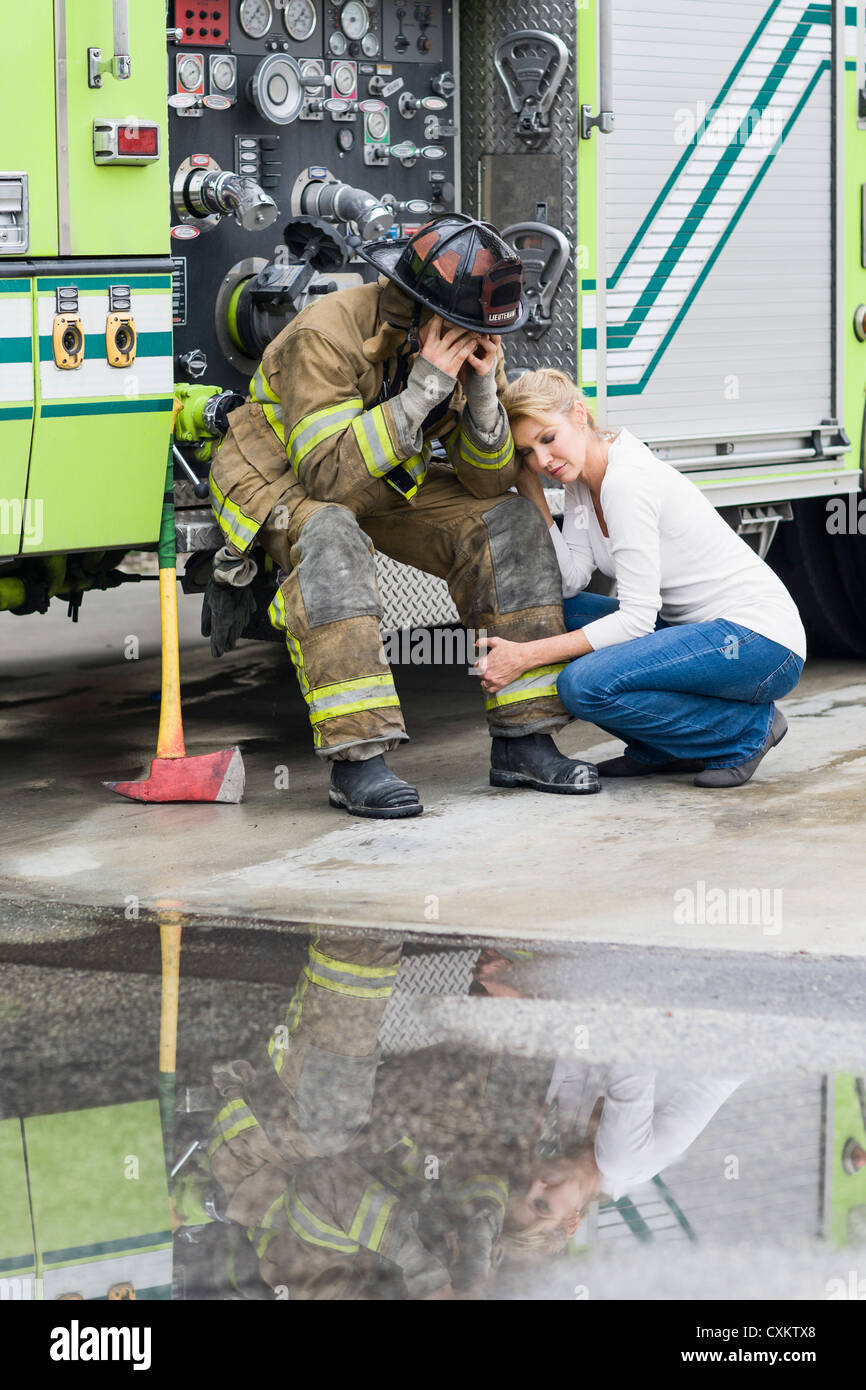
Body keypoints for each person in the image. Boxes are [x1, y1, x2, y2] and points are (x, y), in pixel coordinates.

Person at [206, 218, 599, 817]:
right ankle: (358, 761)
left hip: (386, 471)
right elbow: (329, 480)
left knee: (512, 523)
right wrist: (424, 390)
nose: (475, 342)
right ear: (420, 309)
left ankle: (526, 742)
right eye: (464, 331)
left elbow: (487, 482)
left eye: (483, 335)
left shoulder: (467, 333)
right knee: (333, 535)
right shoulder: (326, 335)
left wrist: (486, 395)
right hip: (281, 473)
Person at [476, 369, 806, 788]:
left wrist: (527, 655)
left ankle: (747, 730)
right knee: (559, 609)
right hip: (694, 631)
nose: (542, 461)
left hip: (760, 642)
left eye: (548, 439)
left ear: (579, 415)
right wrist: (534, 492)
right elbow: (571, 581)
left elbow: (636, 621)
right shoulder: (583, 478)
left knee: (583, 685)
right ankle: (668, 745)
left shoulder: (626, 481)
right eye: (527, 454)